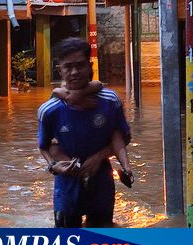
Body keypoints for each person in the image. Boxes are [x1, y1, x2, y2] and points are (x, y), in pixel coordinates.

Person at [37, 37, 132, 228]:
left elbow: (122, 137)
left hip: (102, 182)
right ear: (60, 70)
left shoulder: (109, 101)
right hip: (66, 186)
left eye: (80, 65)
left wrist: (102, 158)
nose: (74, 72)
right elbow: (44, 146)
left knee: (101, 239)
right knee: (66, 242)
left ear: (89, 67)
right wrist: (54, 167)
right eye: (68, 67)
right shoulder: (49, 110)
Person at [51, 81, 134, 188]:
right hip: (68, 176)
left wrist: (99, 157)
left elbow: (123, 138)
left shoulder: (105, 102)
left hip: (100, 174)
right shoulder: (54, 107)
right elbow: (49, 145)